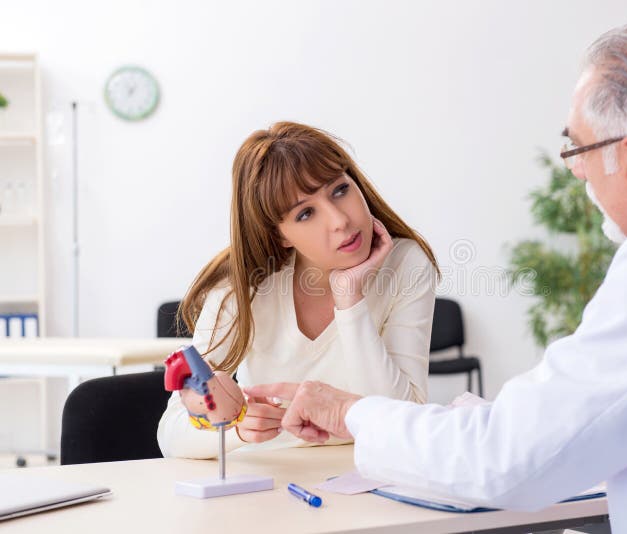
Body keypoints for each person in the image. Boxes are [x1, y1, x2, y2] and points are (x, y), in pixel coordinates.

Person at [246, 17, 627, 534]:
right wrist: (495, 421)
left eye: (579, 148)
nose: (577, 168)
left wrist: (349, 413)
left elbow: (509, 460)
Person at [157, 121, 439, 458]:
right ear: (280, 235)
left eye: (339, 190)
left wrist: (349, 299)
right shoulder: (242, 287)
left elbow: (401, 422)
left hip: (365, 482)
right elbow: (170, 433)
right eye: (305, 213)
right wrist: (238, 430)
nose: (339, 220)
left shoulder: (406, 264)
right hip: (270, 485)